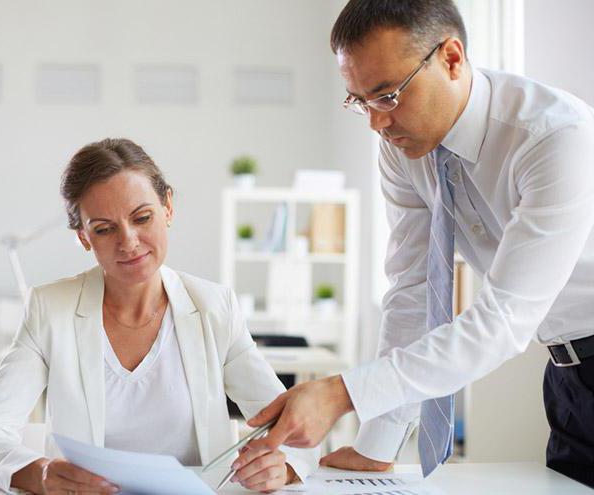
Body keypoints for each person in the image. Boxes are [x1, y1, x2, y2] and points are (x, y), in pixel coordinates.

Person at [237, 0, 594, 488]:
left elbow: (505, 318)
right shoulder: (404, 149)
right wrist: (377, 444)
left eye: (388, 94)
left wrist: (342, 394)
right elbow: (412, 292)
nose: (376, 123)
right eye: (359, 100)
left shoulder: (556, 137)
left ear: (451, 57)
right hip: (566, 374)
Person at [0, 138, 319, 493]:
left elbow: (295, 428)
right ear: (84, 237)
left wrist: (282, 466)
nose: (128, 241)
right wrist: (37, 473)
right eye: (104, 229)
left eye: (142, 217)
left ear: (167, 208)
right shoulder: (49, 310)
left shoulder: (214, 307)